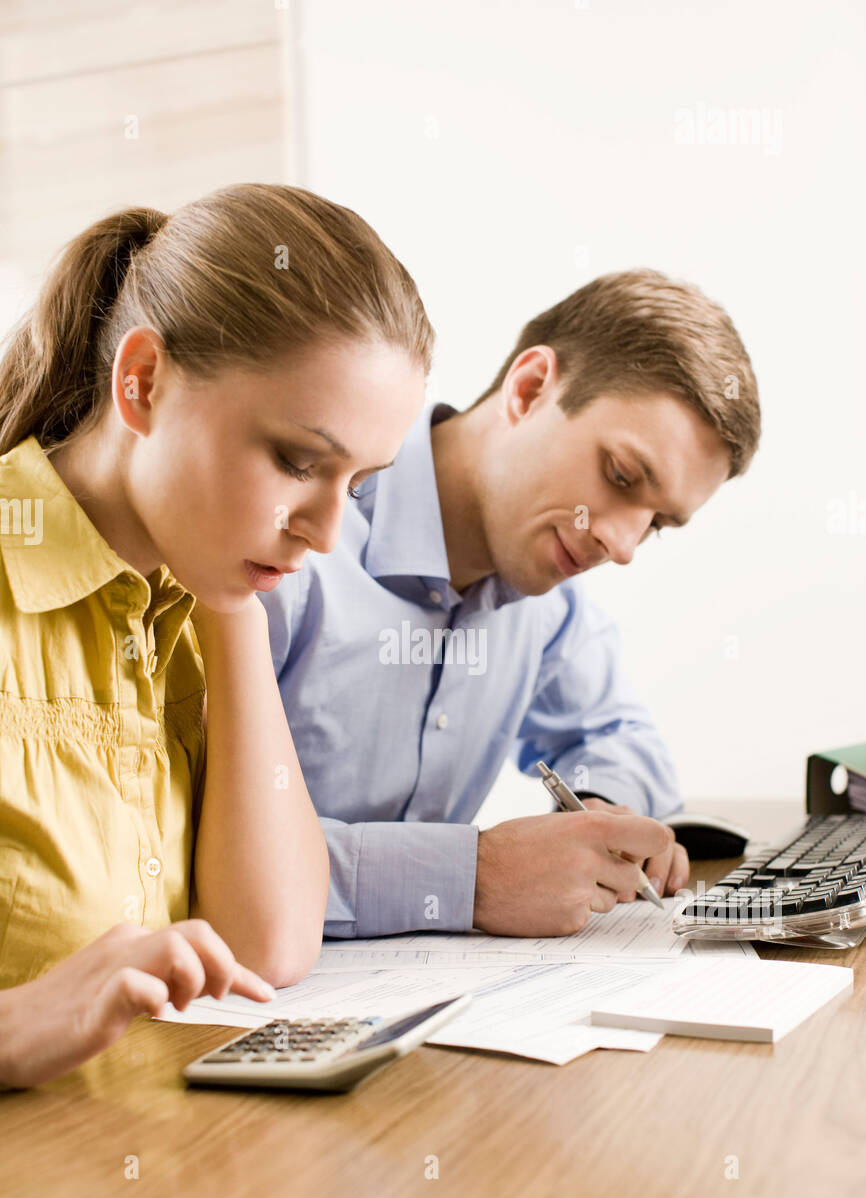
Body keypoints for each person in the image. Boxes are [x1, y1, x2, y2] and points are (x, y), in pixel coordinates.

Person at [0, 183, 432, 1085]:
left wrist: (231, 605)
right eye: (295, 462)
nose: (323, 533)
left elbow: (268, 946)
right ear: (144, 382)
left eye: (354, 484)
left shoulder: (195, 599)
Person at [261, 269, 761, 939]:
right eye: (620, 476)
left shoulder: (548, 603)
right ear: (529, 389)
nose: (621, 544)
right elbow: (175, 849)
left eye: (657, 523)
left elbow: (623, 737)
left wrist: (600, 811)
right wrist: (472, 878)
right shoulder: (288, 543)